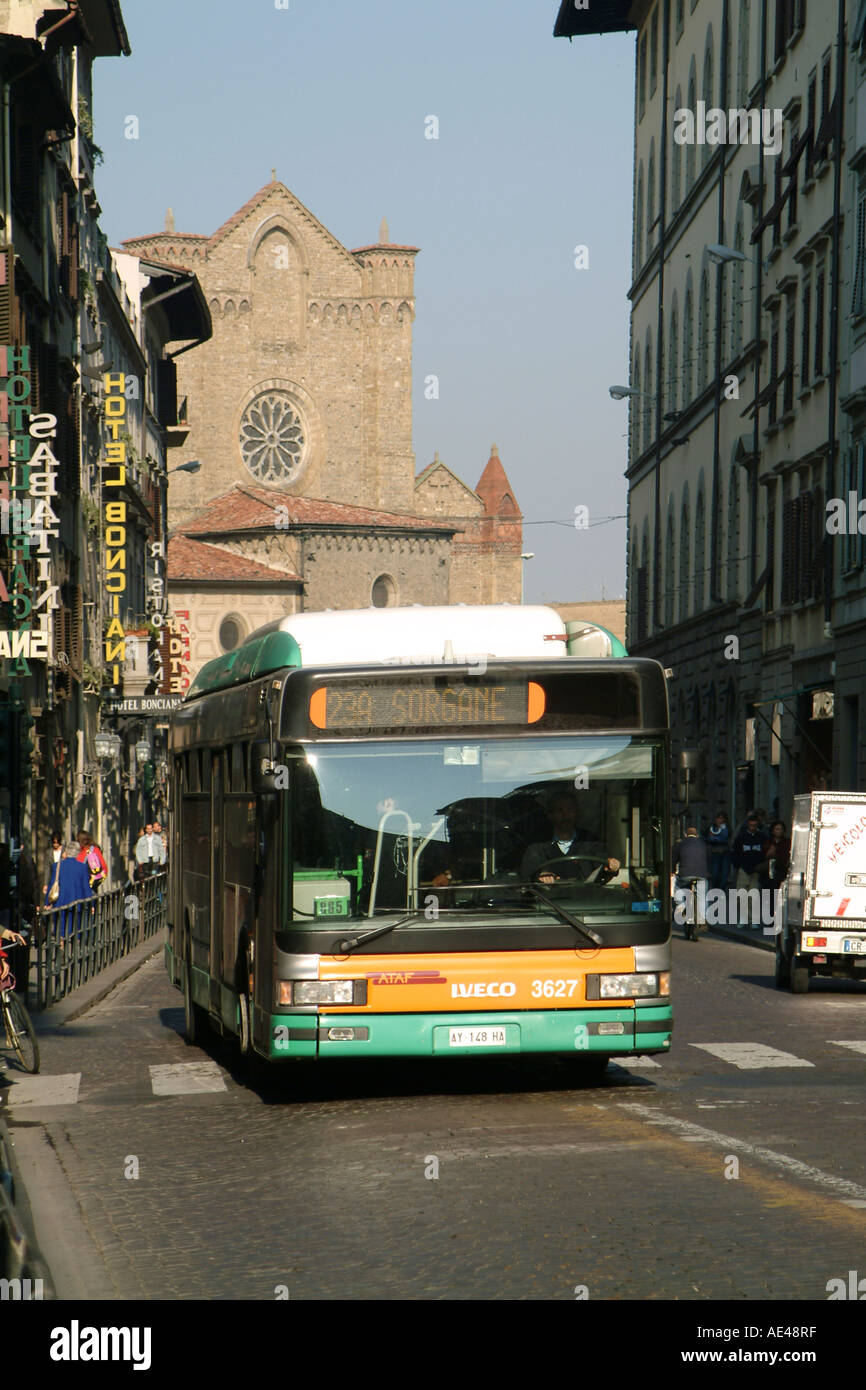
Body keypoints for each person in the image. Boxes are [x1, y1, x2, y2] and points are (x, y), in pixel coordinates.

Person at [520, 791, 621, 885]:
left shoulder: (590, 841)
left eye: (570, 810)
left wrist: (611, 865)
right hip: (547, 901)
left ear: (576, 813)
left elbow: (604, 869)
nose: (565, 816)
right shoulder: (537, 845)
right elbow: (527, 876)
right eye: (559, 811)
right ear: (550, 815)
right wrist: (540, 875)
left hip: (587, 900)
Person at [43, 843, 93, 940]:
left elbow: (52, 884)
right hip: (77, 903)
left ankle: (61, 946)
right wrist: (91, 904)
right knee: (76, 931)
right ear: (77, 853)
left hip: (60, 903)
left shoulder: (56, 866)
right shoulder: (82, 867)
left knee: (61, 931)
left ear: (66, 852)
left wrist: (47, 902)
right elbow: (86, 887)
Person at [732, 813, 766, 891]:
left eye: (754, 825)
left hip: (757, 869)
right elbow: (735, 851)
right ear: (747, 824)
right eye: (751, 825)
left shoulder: (762, 837)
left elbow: (764, 851)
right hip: (743, 868)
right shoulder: (741, 837)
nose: (752, 827)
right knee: (741, 892)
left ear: (757, 825)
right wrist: (738, 865)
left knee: (754, 893)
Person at [757, 820, 790, 899]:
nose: (780, 831)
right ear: (773, 831)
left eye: (781, 829)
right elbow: (761, 855)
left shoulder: (787, 842)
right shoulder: (767, 842)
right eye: (777, 829)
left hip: (780, 872)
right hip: (767, 874)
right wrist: (768, 853)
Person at [706, 811, 731, 890]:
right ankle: (715, 889)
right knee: (714, 874)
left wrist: (715, 837)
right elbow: (709, 838)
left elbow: (724, 838)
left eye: (722, 818)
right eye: (718, 818)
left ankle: (722, 890)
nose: (720, 820)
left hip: (725, 853)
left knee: (724, 874)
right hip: (715, 853)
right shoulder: (711, 828)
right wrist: (715, 838)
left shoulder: (727, 828)